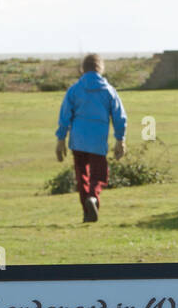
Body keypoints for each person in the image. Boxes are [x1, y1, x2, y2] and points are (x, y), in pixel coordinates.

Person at [55, 53, 128, 223]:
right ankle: (93, 198)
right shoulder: (109, 90)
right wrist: (120, 139)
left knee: (82, 176)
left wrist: (61, 139)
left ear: (82, 69)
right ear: (100, 68)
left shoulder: (74, 90)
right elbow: (119, 116)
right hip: (98, 140)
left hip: (78, 140)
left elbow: (65, 115)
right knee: (99, 175)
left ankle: (86, 211)